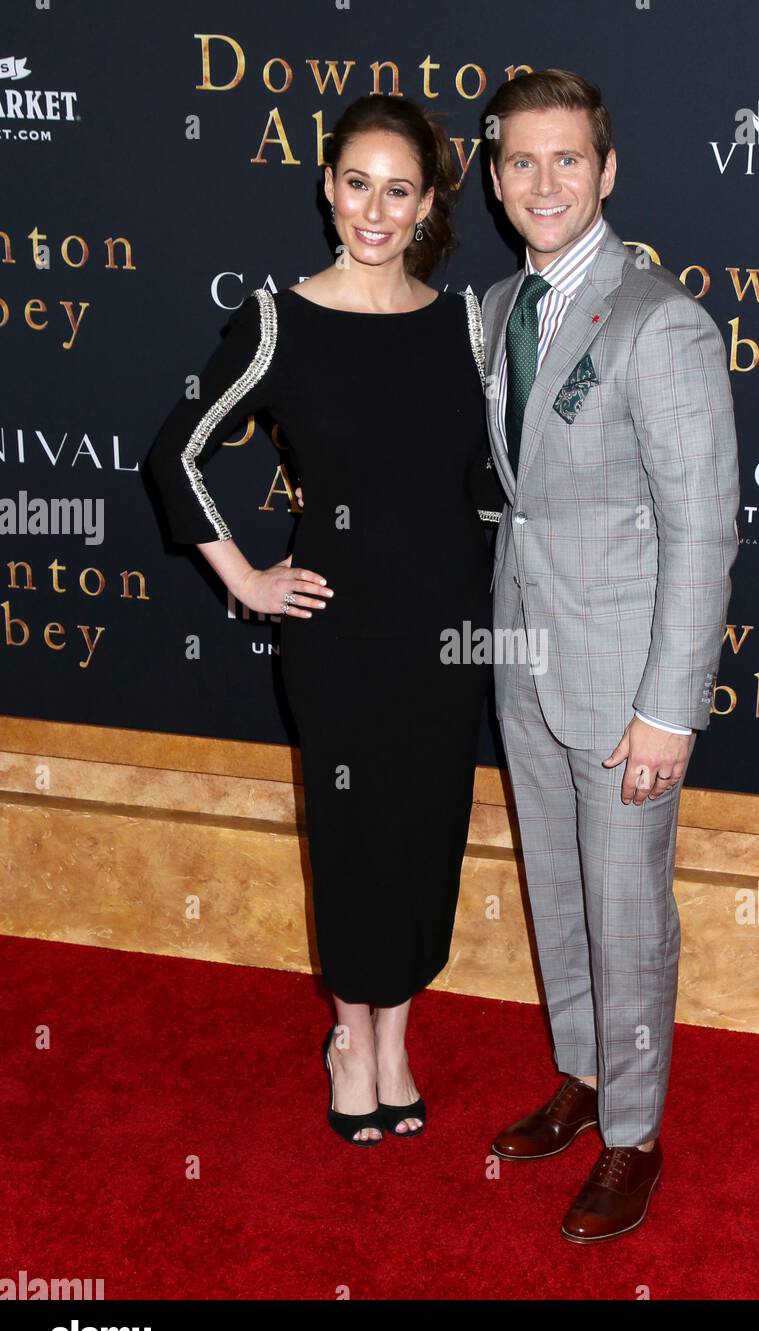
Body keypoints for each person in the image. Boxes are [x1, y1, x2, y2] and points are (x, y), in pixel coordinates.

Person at [145, 94, 505, 1147]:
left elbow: (486, 484)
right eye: (358, 184)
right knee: (354, 837)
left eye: (400, 190)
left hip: (448, 632)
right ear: (326, 187)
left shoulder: (464, 326)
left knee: (428, 834)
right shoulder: (276, 321)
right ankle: (352, 1039)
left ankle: (398, 1035)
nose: (376, 210)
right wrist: (247, 580)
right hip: (339, 634)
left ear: (431, 200)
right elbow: (174, 454)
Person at [479, 70, 740, 1241]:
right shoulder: (494, 311)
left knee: (627, 911)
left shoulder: (658, 319)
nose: (544, 182)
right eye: (521, 161)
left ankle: (633, 1136)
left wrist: (667, 712)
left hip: (627, 684)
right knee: (559, 893)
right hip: (524, 661)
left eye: (567, 159)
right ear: (493, 177)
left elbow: (701, 529)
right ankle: (582, 1077)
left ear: (608, 169)